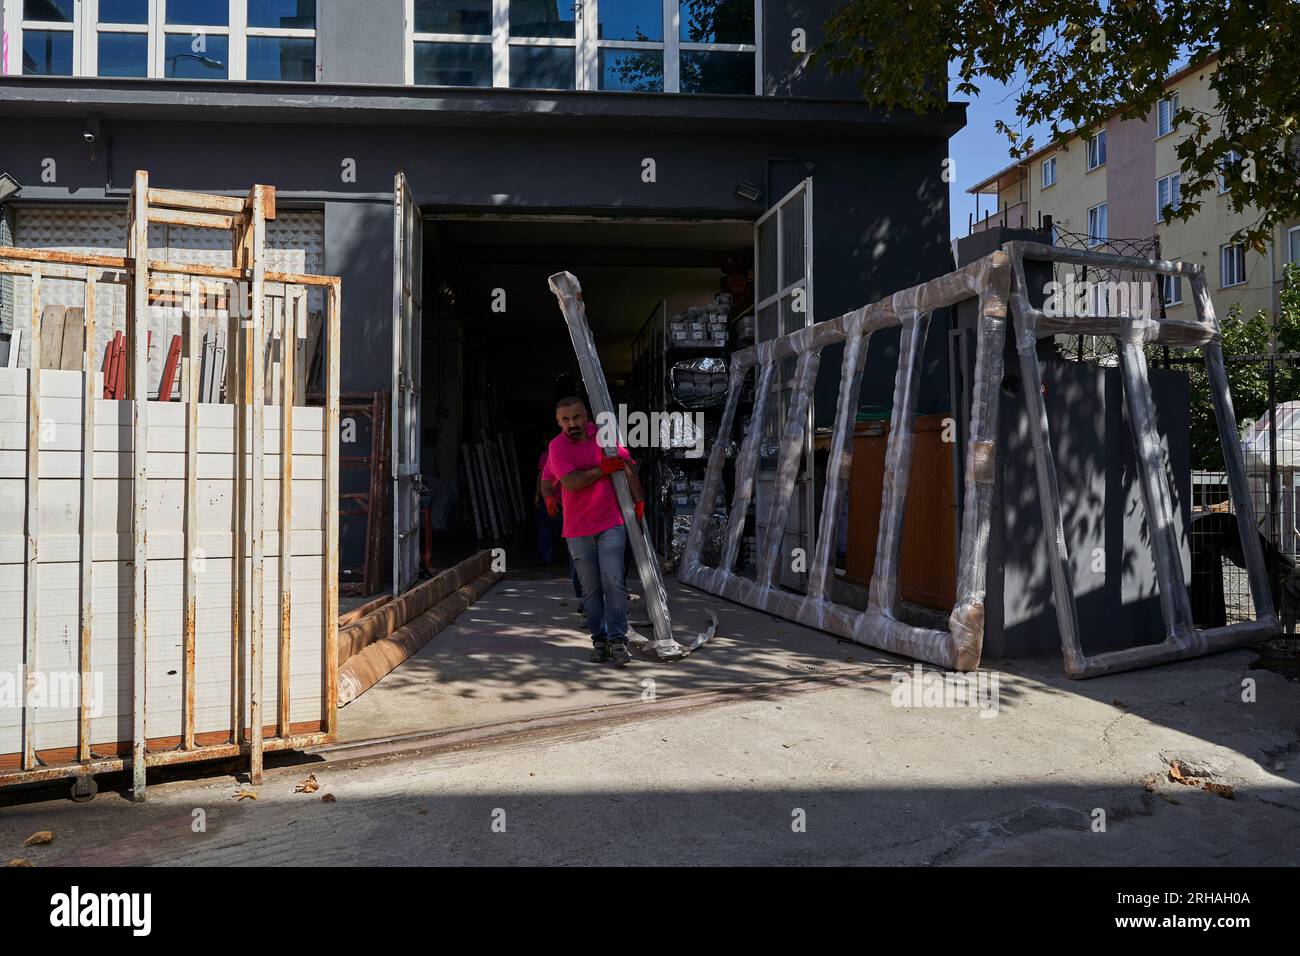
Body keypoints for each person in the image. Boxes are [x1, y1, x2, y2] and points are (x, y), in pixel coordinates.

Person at [547, 396, 646, 665]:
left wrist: (638, 499)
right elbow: (570, 482)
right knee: (590, 589)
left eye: (576, 418)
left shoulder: (604, 435)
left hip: (611, 522)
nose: (572, 424)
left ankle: (618, 641)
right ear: (558, 422)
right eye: (565, 420)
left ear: (586, 416)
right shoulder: (557, 447)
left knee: (613, 582)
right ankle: (599, 641)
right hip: (578, 528)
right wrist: (602, 470)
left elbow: (625, 465)